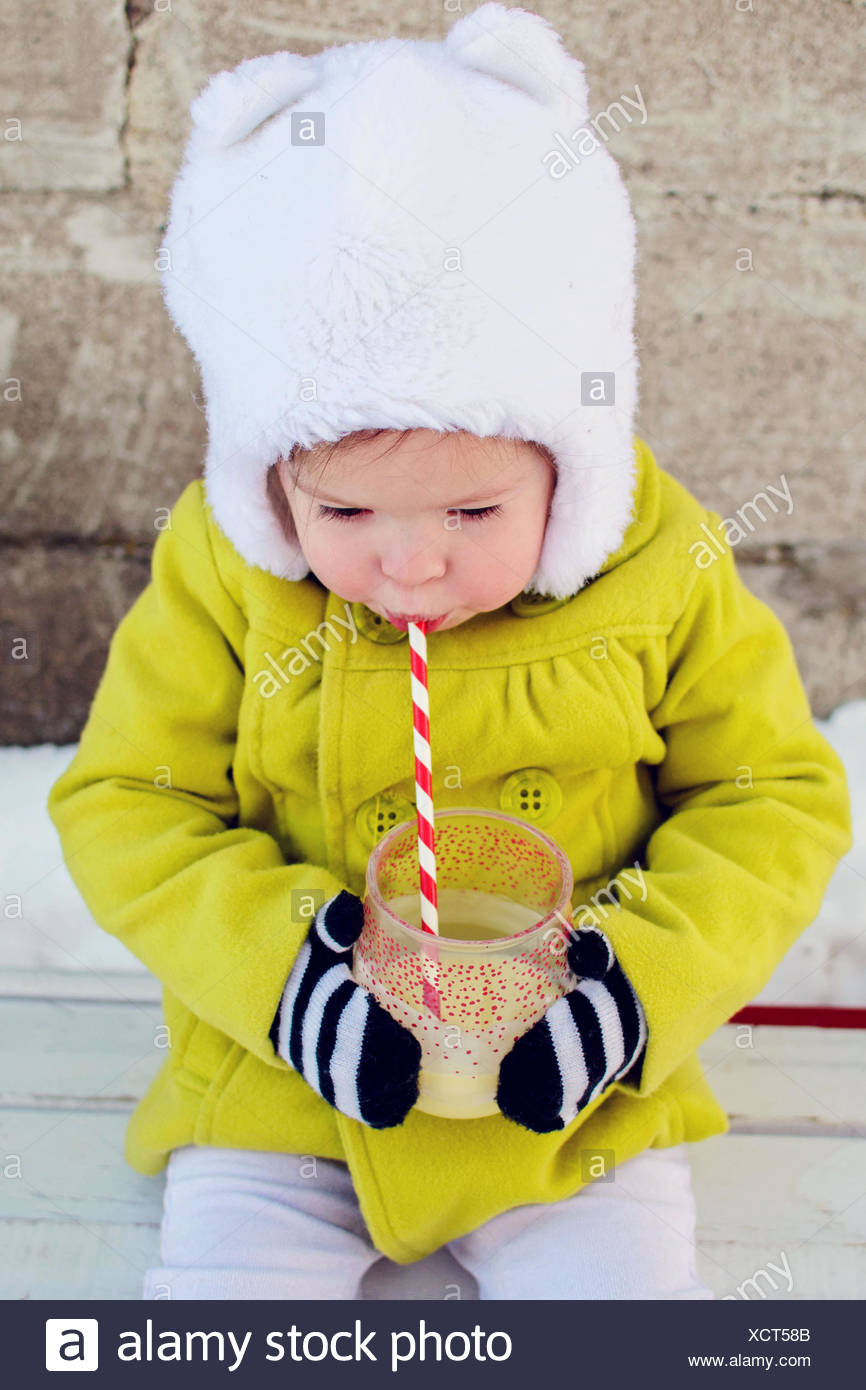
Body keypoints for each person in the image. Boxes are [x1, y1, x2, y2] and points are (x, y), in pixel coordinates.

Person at [47, 3, 851, 1300]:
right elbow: (126, 803)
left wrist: (628, 990)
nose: (407, 565)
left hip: (569, 1098)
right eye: (344, 514)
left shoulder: (658, 560)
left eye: (473, 513)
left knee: (625, 1327)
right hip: (286, 1088)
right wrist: (288, 981)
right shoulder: (223, 565)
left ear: (569, 464)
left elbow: (771, 798)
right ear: (267, 479)